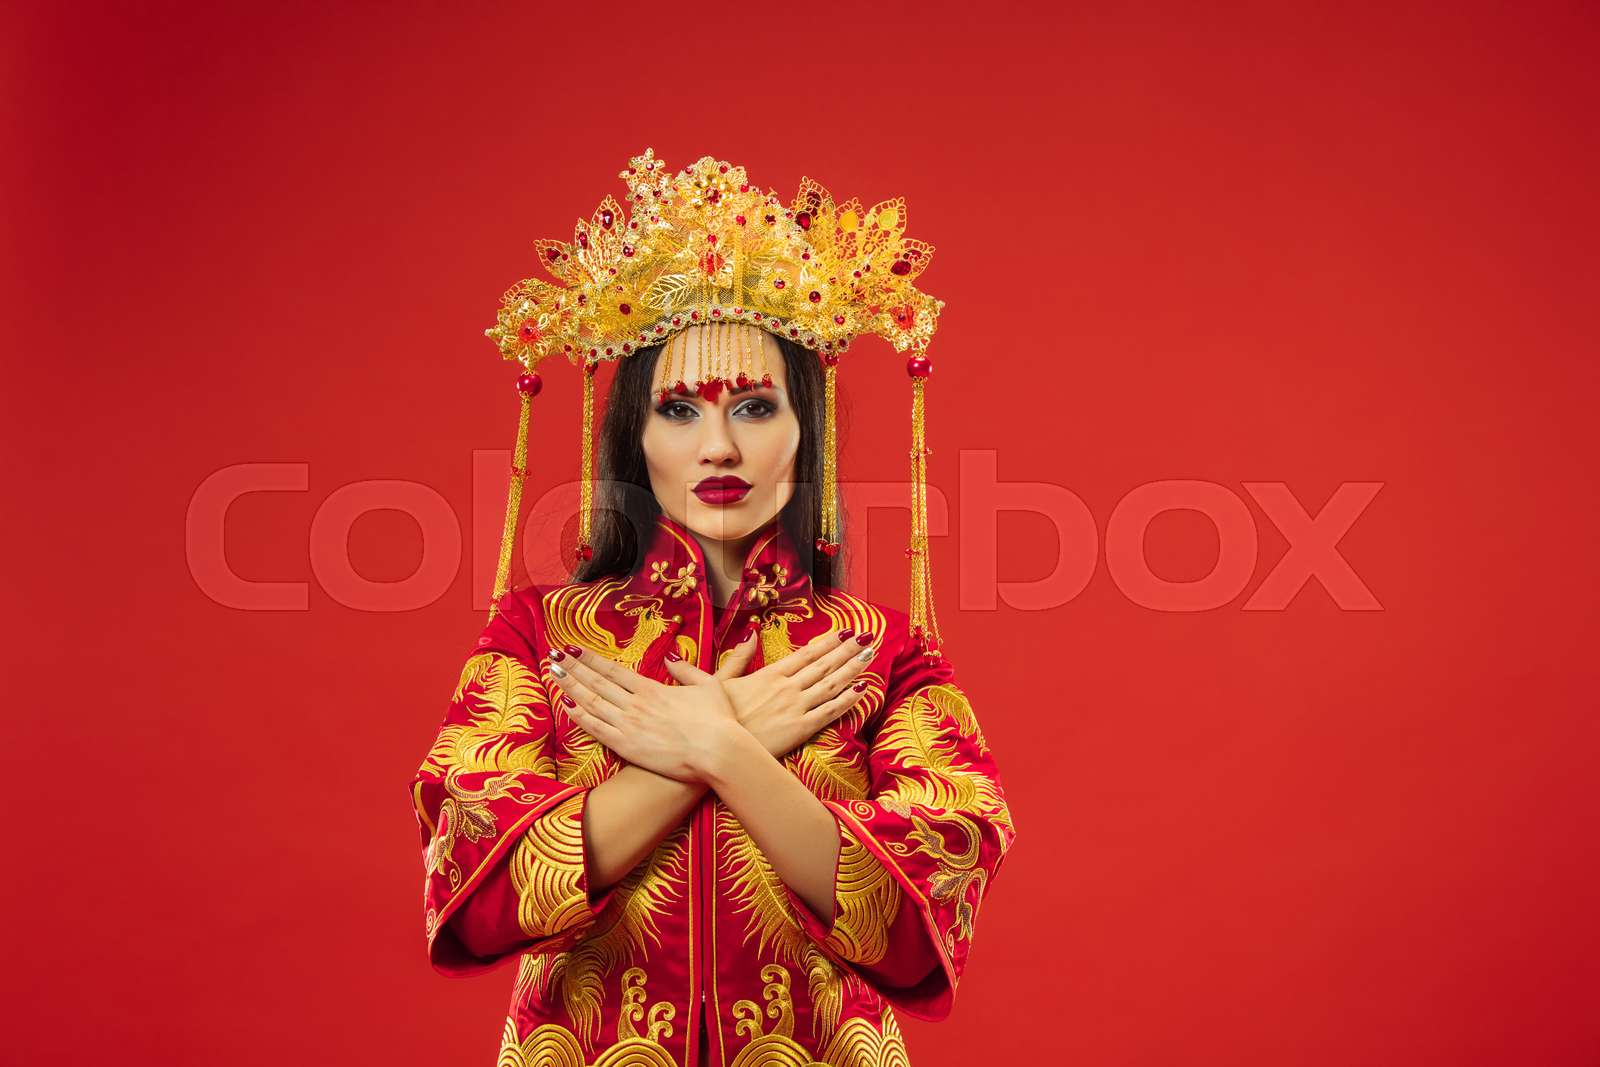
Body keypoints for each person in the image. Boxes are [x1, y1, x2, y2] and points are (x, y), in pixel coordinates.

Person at [409, 150, 1018, 1066]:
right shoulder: (541, 635)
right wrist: (728, 736)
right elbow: (480, 882)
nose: (721, 447)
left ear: (807, 428)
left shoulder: (881, 652)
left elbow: (918, 906)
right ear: (635, 433)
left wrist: (723, 752)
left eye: (757, 407)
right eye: (681, 410)